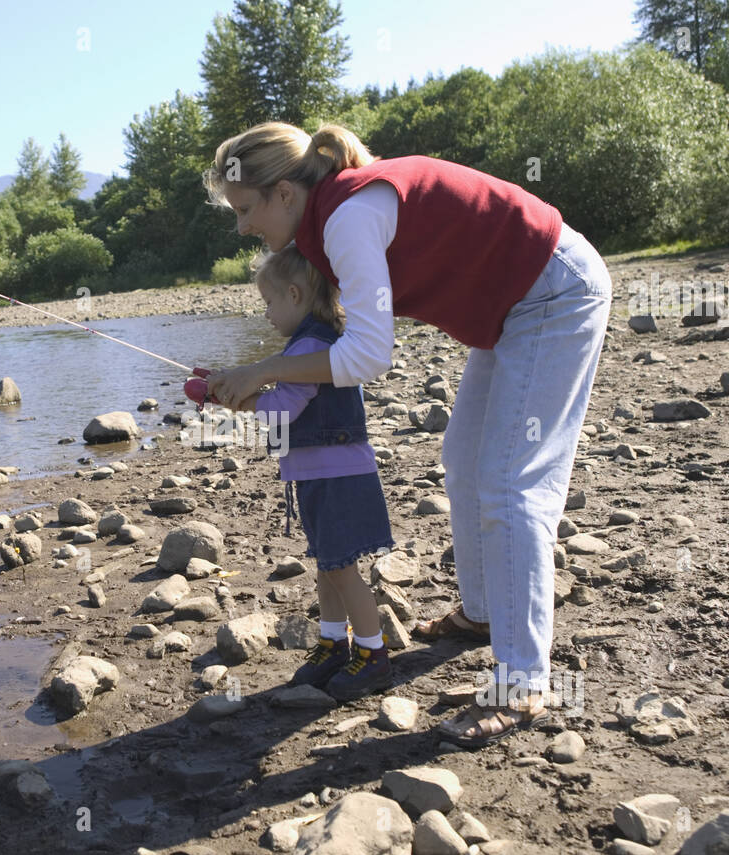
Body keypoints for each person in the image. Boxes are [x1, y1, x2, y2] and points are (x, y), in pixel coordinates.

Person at [202, 122, 612, 748]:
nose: (240, 227)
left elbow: (368, 356)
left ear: (284, 193)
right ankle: (479, 614)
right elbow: (337, 343)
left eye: (244, 209)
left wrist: (265, 370)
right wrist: (255, 385)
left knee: (511, 483)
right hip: (517, 303)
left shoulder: (347, 215)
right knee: (464, 458)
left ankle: (524, 682)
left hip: (554, 291)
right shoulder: (328, 221)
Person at [221, 243, 397, 700]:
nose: (266, 315)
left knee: (341, 569)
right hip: (324, 474)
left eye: (269, 303)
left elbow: (283, 407)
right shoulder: (311, 343)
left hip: (336, 476)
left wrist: (240, 398)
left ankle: (373, 654)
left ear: (295, 295)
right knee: (330, 564)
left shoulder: (310, 346)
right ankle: (334, 642)